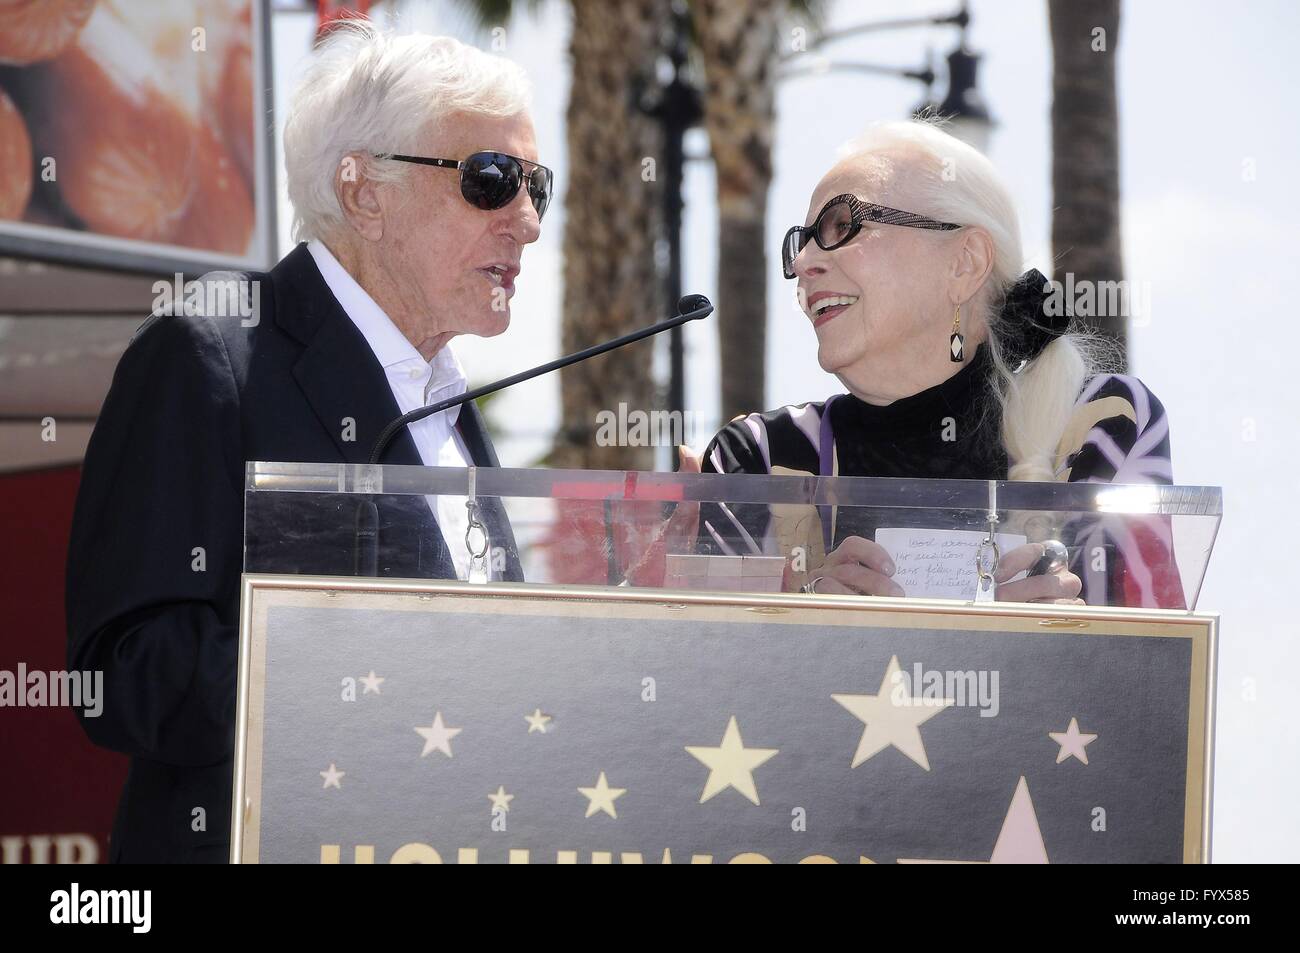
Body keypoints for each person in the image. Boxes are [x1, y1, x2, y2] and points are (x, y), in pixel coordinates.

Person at [65, 25, 550, 862]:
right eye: (492, 180)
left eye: (538, 185)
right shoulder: (210, 351)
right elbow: (121, 676)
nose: (530, 222)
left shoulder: (452, 403)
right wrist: (361, 664)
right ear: (364, 192)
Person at [696, 119, 1182, 609]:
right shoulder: (759, 455)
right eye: (801, 242)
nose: (803, 263)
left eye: (843, 226)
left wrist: (1058, 640)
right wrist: (809, 615)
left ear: (965, 263)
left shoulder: (1102, 422)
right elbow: (708, 674)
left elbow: (1152, 670)